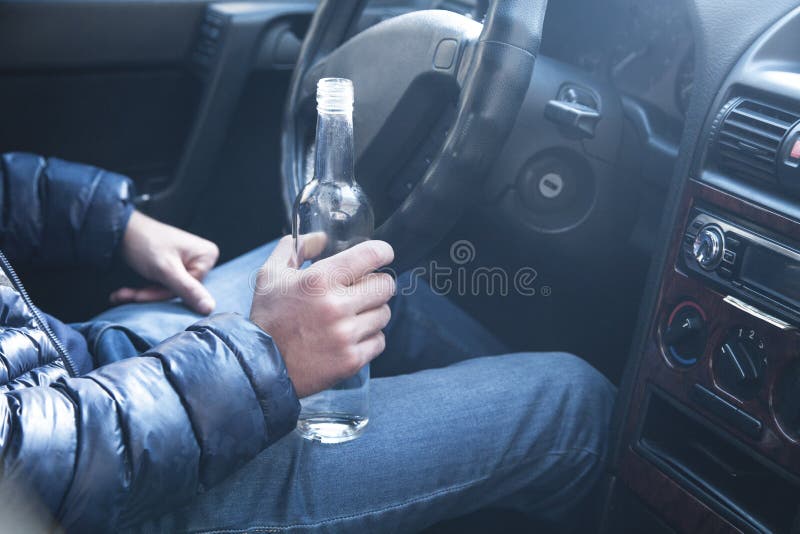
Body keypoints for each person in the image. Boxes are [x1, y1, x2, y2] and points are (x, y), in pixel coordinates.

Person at [0, 152, 615, 533]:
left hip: (72, 376)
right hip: (92, 494)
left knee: (371, 286)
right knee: (572, 406)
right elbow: (29, 470)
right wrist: (260, 359)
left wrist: (111, 222)